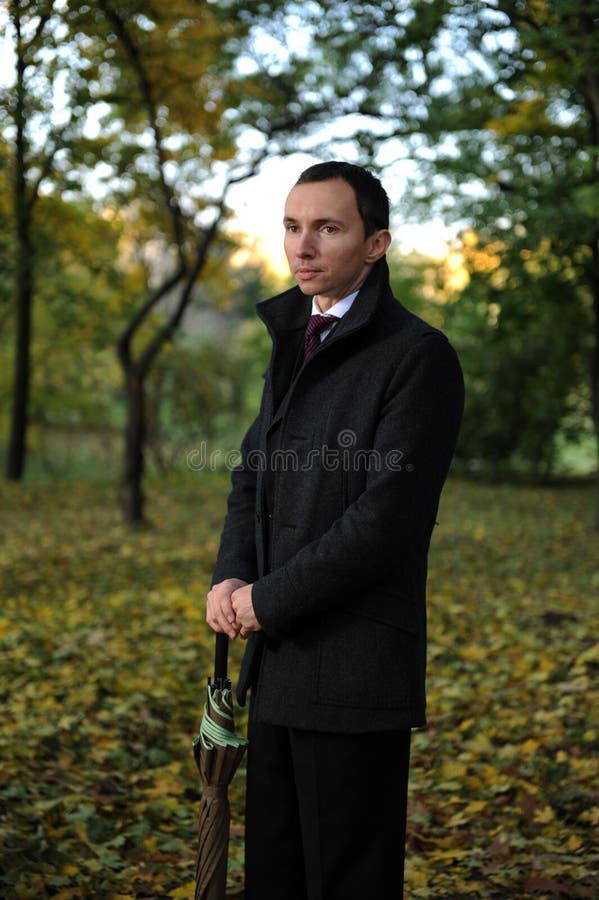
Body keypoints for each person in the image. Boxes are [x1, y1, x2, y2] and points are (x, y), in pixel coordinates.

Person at [206, 161, 464, 899]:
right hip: (278, 665)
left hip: (355, 668)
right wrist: (231, 574)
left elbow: (386, 521)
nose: (303, 245)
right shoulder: (295, 337)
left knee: (346, 881)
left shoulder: (418, 356)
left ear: (375, 243)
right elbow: (252, 475)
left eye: (327, 227)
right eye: (292, 226)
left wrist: (267, 599)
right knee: (276, 878)